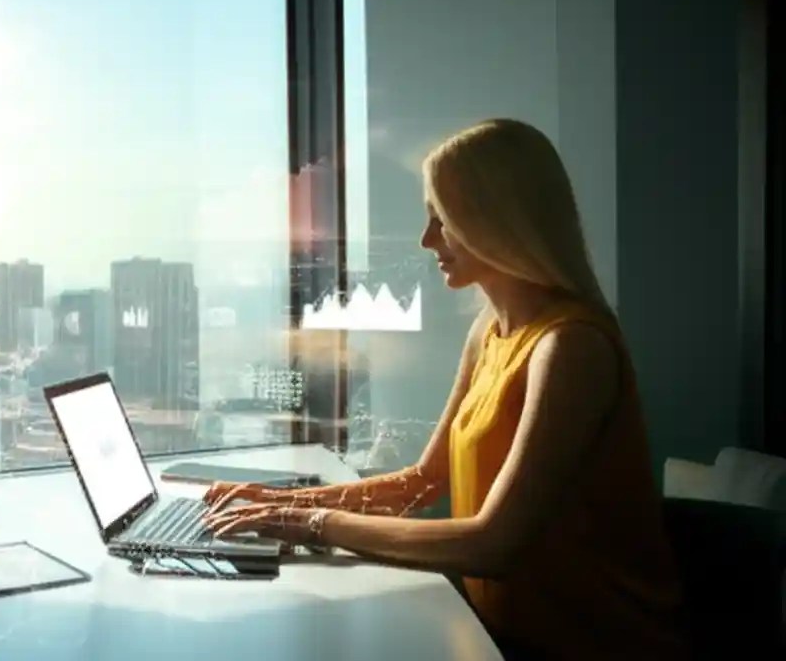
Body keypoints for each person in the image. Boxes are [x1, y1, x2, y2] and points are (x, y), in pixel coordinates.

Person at [201, 119, 690, 659]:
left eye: (443, 219)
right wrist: (279, 504)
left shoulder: (570, 348)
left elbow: (492, 544)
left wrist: (314, 525)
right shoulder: (489, 329)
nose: (427, 239)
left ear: (496, 220)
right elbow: (423, 481)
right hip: (494, 633)